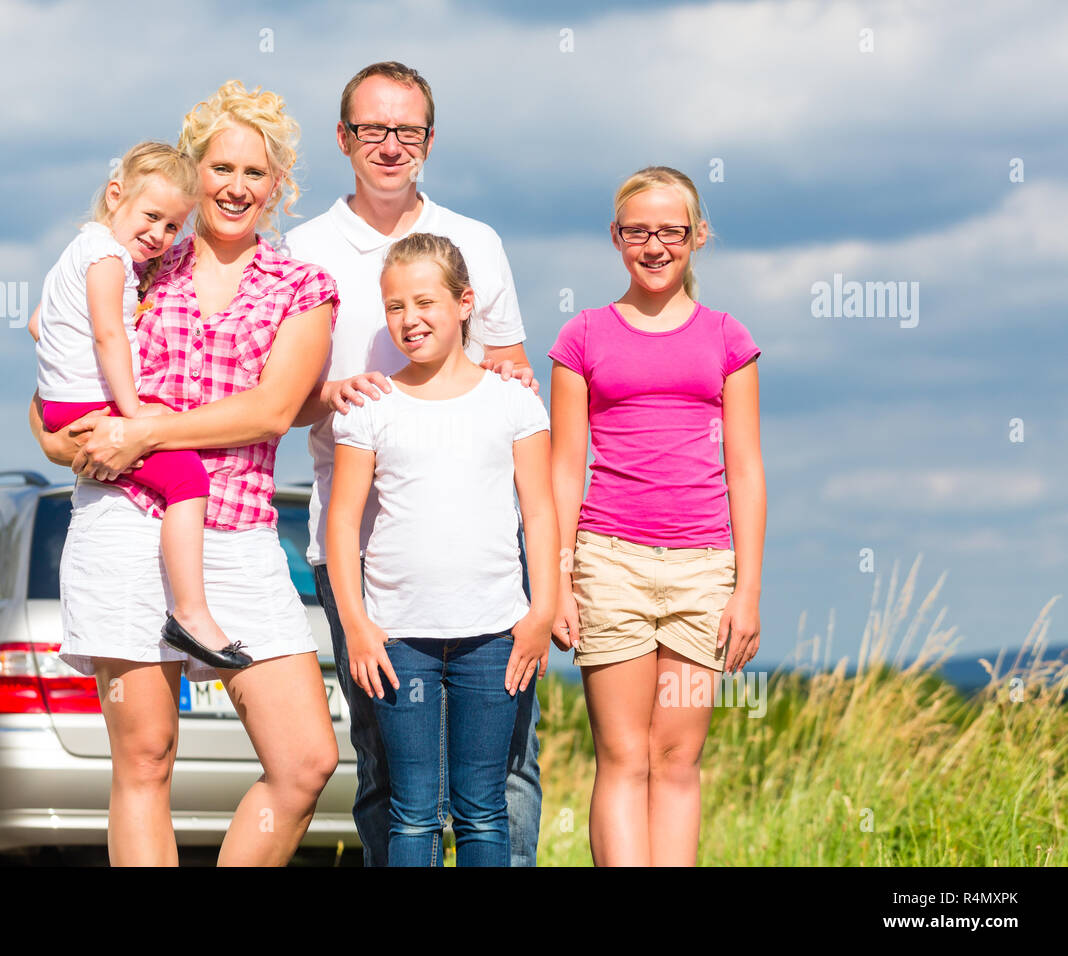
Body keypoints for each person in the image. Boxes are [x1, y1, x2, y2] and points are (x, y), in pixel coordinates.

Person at [27, 80, 339, 866]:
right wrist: (80, 445)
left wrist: (148, 430)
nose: (236, 187)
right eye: (221, 167)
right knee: (146, 760)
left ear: (278, 187)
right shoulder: (133, 261)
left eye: (256, 174)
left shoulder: (301, 288)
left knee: (305, 763)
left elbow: (272, 410)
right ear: (192, 170)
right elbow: (49, 399)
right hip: (125, 531)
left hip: (236, 532)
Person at [280, 60, 544, 867]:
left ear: (429, 139)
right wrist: (334, 391)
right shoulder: (304, 249)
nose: (390, 146)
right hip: (362, 549)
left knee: (503, 777)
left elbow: (512, 376)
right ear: (343, 138)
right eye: (372, 129)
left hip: (486, 555)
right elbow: (278, 405)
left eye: (407, 131)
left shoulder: (478, 242)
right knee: (390, 778)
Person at [549, 166, 766, 866]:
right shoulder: (582, 337)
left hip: (704, 573)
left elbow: (746, 470)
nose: (654, 246)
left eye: (669, 231)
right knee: (623, 755)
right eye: (638, 231)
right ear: (616, 238)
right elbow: (562, 469)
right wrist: (556, 582)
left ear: (697, 237)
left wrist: (747, 590)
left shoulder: (728, 339)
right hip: (608, 563)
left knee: (676, 757)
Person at [326, 233, 557, 865]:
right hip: (399, 638)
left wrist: (540, 615)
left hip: (495, 636)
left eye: (424, 302)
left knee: (482, 809)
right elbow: (342, 523)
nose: (409, 319)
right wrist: (358, 626)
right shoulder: (370, 408)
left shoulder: (513, 401)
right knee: (411, 812)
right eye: (394, 307)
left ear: (465, 303)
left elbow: (540, 514)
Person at [29, 141, 249, 670]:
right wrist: (131, 413)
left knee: (173, 443)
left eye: (173, 227)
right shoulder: (108, 260)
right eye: (151, 217)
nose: (159, 235)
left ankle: (189, 611)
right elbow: (109, 335)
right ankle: (191, 614)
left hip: (69, 404)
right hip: (94, 408)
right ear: (114, 195)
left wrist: (64, 365)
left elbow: (39, 323)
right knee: (187, 480)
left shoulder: (81, 250)